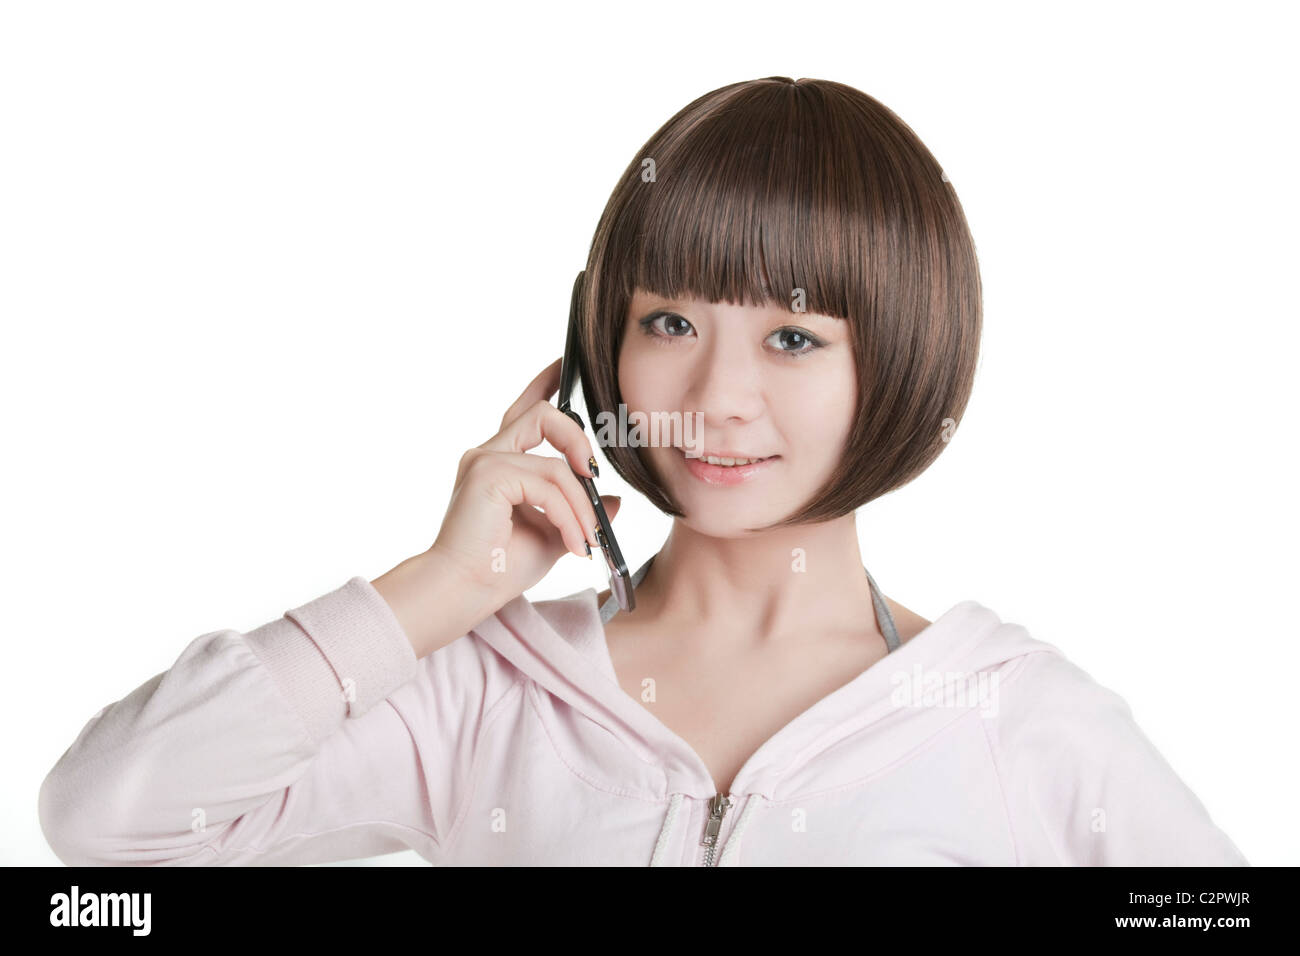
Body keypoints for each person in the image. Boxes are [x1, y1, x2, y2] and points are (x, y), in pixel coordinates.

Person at [37, 76, 1247, 866]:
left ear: (904, 358)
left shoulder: (1010, 715)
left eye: (792, 336)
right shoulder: (490, 691)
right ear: (594, 342)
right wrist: (436, 592)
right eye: (668, 323)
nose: (715, 398)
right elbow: (108, 823)